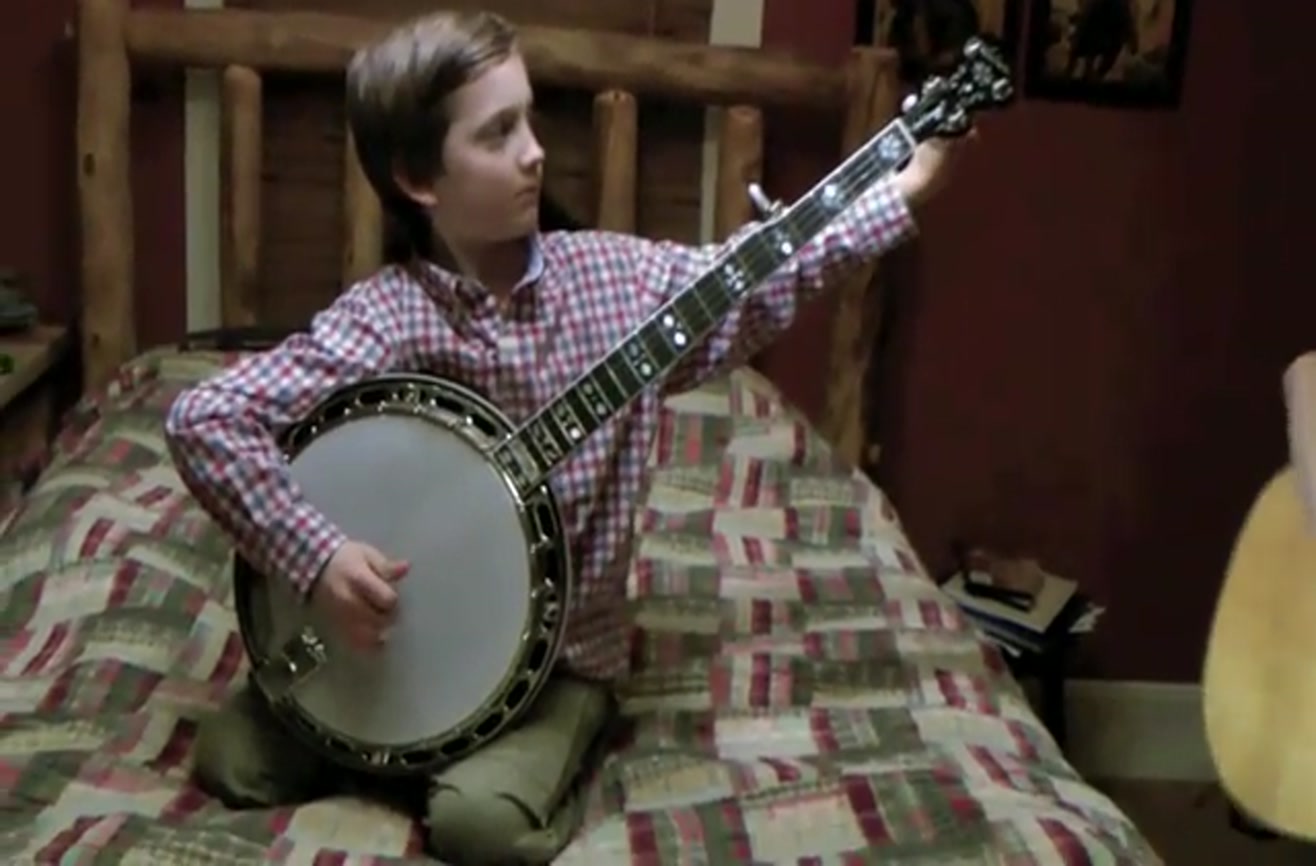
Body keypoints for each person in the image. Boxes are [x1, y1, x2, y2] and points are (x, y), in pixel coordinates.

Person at [164, 8, 969, 865]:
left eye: (530, 117)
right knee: (228, 759)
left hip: (556, 664)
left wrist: (899, 192)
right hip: (388, 636)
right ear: (418, 178)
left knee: (479, 829)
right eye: (498, 133)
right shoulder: (384, 320)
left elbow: (756, 278)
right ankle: (399, 737)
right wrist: (317, 558)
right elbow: (203, 419)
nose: (535, 152)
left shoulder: (615, 285)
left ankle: (471, 760)